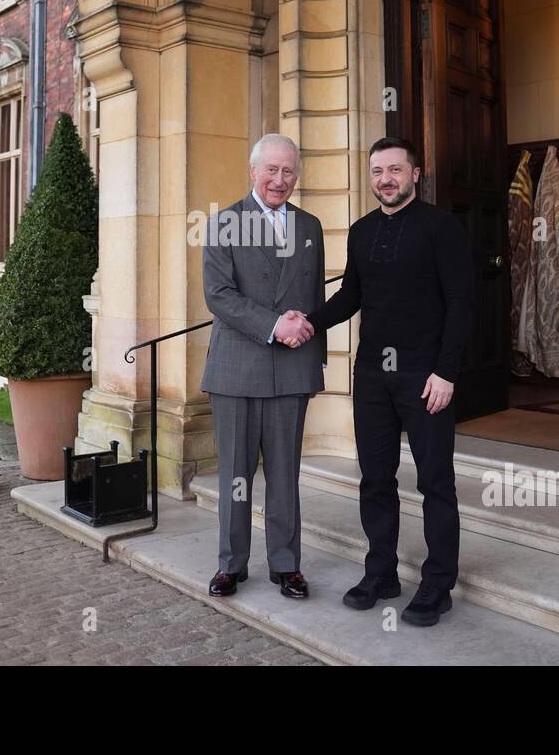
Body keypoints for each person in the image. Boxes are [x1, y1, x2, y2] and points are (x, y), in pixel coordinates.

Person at [294, 137, 473, 626]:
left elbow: (461, 303)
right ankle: (382, 573)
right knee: (375, 479)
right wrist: (308, 321)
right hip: (373, 374)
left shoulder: (442, 227)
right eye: (377, 171)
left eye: (395, 169)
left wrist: (446, 372)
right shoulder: (361, 231)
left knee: (436, 482)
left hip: (425, 375)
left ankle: (438, 584)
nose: (385, 179)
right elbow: (351, 295)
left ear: (415, 174)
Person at [200, 134, 327, 599]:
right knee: (235, 474)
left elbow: (314, 300)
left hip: (293, 371)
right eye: (271, 170)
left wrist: (312, 351)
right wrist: (276, 325)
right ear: (253, 171)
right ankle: (231, 565)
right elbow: (219, 296)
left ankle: (286, 565)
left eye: (288, 171)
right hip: (236, 369)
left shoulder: (310, 226)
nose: (280, 180)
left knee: (285, 474)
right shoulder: (223, 224)